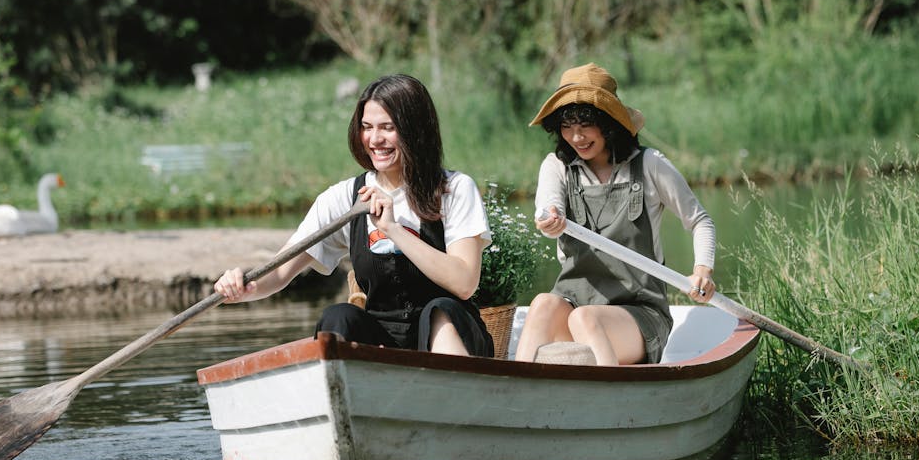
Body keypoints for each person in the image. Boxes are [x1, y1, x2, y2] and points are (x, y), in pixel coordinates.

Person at [214, 74, 494, 357]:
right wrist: (244, 286)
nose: (374, 139)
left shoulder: (454, 189)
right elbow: (281, 270)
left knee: (439, 311)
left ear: (416, 130)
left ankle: (448, 391)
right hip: (382, 342)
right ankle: (342, 392)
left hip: (452, 337)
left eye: (388, 127)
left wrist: (393, 229)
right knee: (339, 316)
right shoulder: (343, 198)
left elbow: (464, 283)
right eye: (367, 127)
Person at [514, 62, 717, 366]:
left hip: (638, 314)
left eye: (585, 126)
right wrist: (550, 220)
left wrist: (702, 271)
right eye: (567, 127)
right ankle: (516, 389)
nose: (576, 137)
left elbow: (700, 221)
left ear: (608, 123)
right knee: (543, 303)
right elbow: (548, 207)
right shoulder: (555, 167)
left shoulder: (650, 165)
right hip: (573, 306)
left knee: (586, 319)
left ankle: (615, 404)